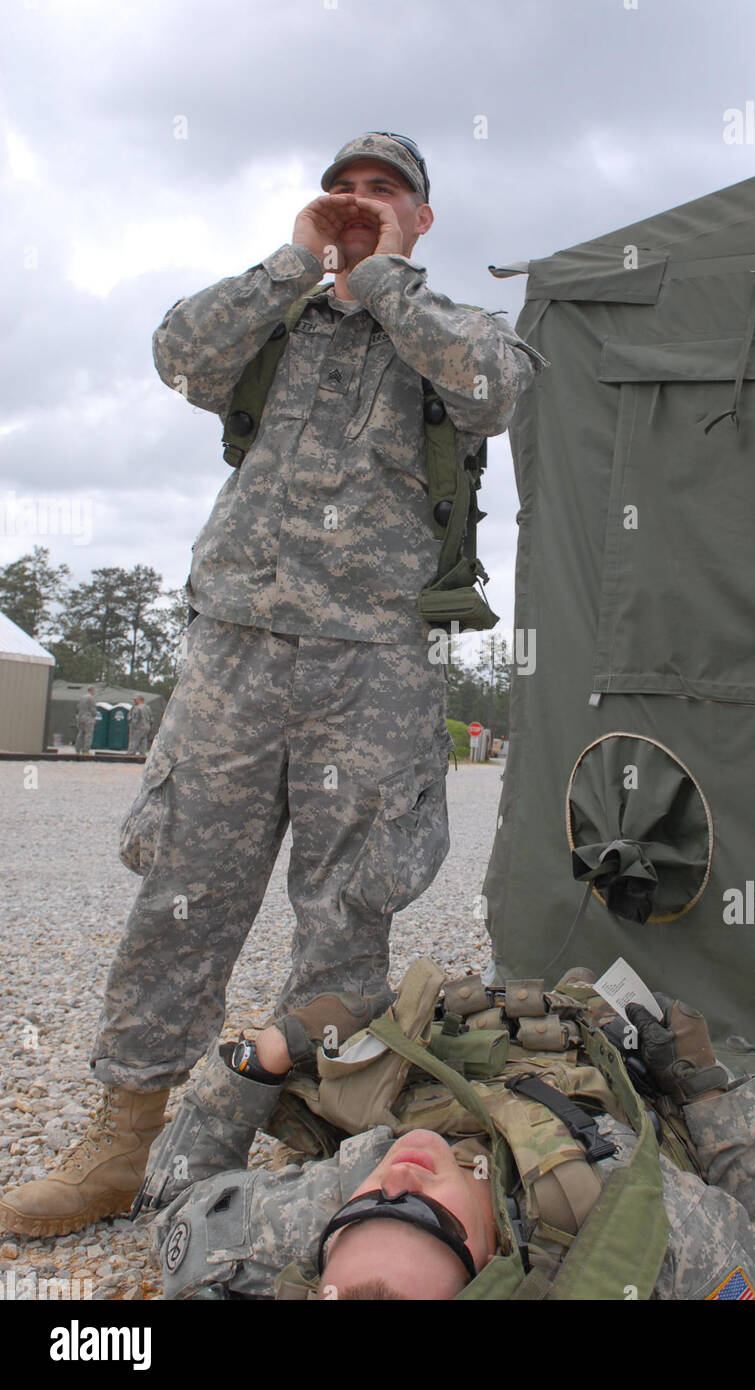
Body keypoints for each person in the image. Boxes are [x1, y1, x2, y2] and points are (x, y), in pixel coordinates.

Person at [0, 132, 545, 1239]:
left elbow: (496, 393)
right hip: (238, 646)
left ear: (420, 218)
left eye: (382, 192)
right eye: (341, 188)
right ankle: (120, 1141)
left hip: (376, 659)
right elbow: (180, 356)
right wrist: (296, 262)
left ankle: (318, 1152)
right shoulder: (275, 310)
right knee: (181, 895)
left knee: (348, 915)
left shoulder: (455, 330)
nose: (355, 203)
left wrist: (385, 277)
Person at [142, 962, 755, 1301]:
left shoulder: (294, 1230)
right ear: (491, 1259)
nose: (400, 1174)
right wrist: (706, 1088)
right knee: (600, 984)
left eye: (357, 1211)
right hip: (586, 1071)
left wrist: (259, 1059)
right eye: (422, 1214)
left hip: (437, 1057)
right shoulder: (645, 1226)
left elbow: (178, 1202)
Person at [73, 687, 98, 755]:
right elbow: (93, 709)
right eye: (94, 691)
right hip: (88, 719)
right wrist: (95, 716)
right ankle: (86, 751)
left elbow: (77, 708)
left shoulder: (82, 698)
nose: (94, 692)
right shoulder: (91, 698)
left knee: (80, 734)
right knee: (88, 735)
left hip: (80, 718)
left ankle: (77, 750)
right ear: (92, 690)